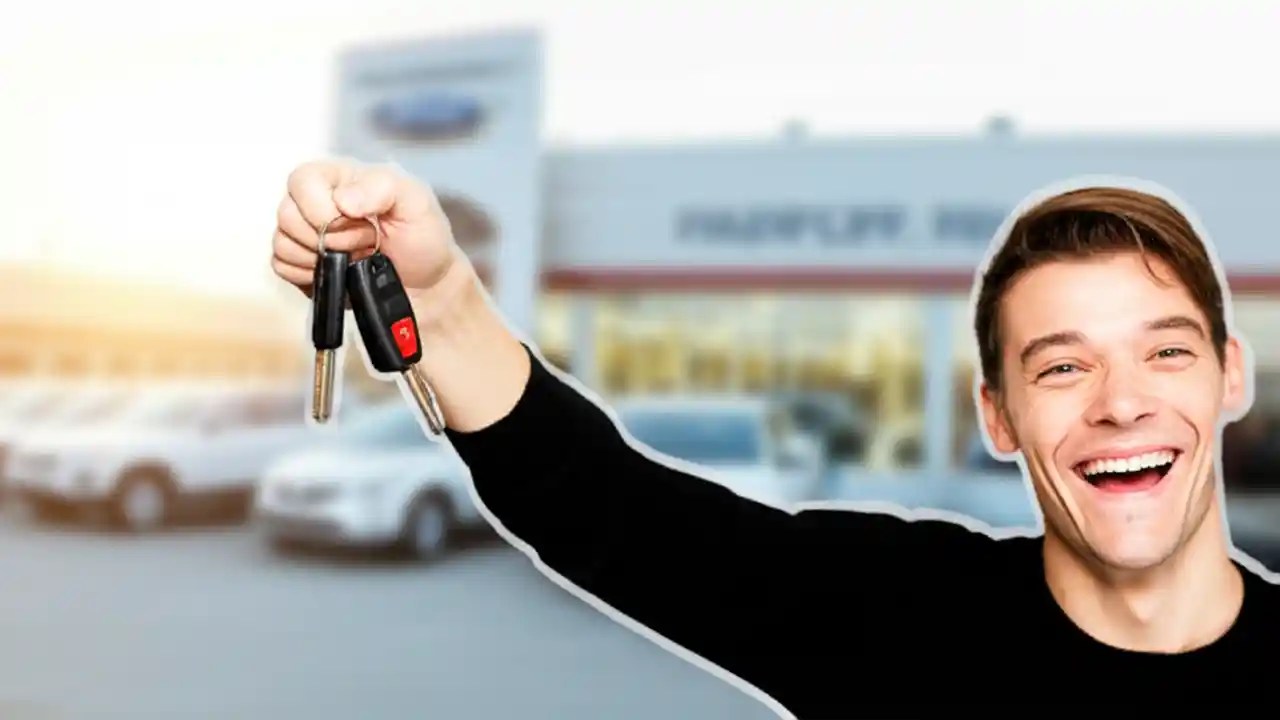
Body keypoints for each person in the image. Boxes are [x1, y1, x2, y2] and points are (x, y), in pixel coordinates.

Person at [271, 160, 1278, 716]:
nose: (1118, 403)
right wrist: (442, 303)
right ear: (997, 416)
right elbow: (603, 509)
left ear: (1229, 375)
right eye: (1061, 366)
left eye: (1163, 354)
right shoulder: (901, 620)